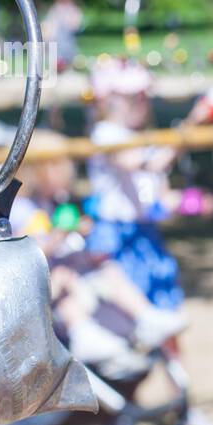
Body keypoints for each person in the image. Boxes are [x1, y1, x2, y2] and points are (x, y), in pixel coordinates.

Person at [14, 132, 186, 381]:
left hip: (79, 276)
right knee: (62, 275)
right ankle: (83, 332)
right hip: (44, 290)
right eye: (59, 166)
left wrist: (81, 232)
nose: (68, 173)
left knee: (106, 266)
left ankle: (146, 317)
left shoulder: (55, 203)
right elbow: (30, 255)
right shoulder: (23, 209)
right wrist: (60, 233)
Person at [84, 58, 188, 312]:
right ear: (107, 100)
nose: (141, 102)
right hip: (116, 233)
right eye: (131, 97)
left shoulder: (138, 136)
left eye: (143, 96)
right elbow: (146, 164)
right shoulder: (106, 134)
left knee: (162, 300)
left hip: (143, 230)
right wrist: (191, 126)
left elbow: (155, 188)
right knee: (130, 309)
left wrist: (181, 202)